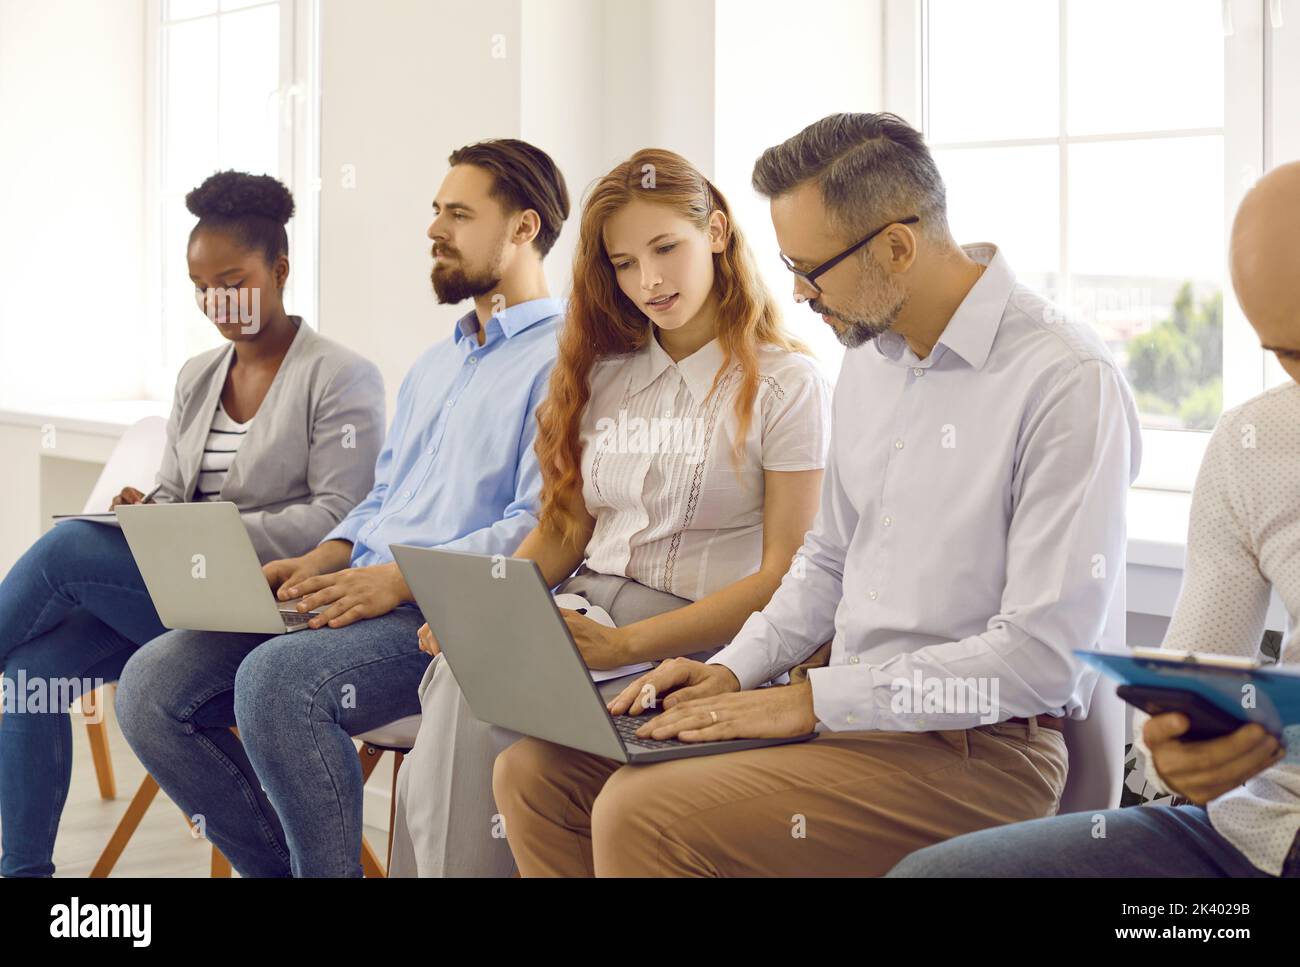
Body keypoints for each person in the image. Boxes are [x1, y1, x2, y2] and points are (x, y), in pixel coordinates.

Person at [492, 112, 1141, 877]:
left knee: (640, 814)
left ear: (897, 247)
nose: (797, 292)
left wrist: (810, 701)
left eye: (813, 268)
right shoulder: (871, 356)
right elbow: (824, 562)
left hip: (978, 751)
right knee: (536, 778)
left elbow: (1043, 658)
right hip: (843, 720)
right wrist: (731, 671)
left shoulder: (1065, 381)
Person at [115, 139, 570, 877]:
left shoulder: (565, 360)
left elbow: (535, 524)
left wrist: (395, 580)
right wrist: (327, 554)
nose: (433, 229)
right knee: (150, 685)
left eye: (458, 213)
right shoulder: (438, 363)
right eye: (435, 211)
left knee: (275, 682)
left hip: (437, 619)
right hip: (353, 589)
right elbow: (386, 496)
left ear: (523, 229)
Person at [388, 148, 831, 877]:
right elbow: (565, 529)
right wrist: (489, 607)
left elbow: (786, 573)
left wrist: (626, 648)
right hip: (585, 607)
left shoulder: (789, 385)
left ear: (717, 232)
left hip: (695, 637)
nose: (649, 280)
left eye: (666, 248)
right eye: (624, 263)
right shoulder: (603, 373)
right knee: (463, 674)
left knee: (483, 704)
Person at [888, 160, 1300, 880]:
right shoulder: (1252, 445)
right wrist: (1174, 743)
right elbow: (1189, 670)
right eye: (1292, 355)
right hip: (1250, 831)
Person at [0, 170, 384, 877]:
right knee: (28, 671)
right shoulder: (198, 376)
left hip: (269, 604)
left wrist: (203, 526)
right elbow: (177, 489)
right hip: (182, 594)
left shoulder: (340, 376)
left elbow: (342, 517)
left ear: (281, 269)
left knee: (65, 551)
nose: (216, 301)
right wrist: (150, 511)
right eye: (200, 284)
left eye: (232, 279)